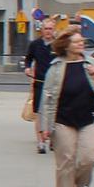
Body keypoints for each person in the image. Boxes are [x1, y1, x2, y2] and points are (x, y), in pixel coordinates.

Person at [36, 26, 94, 187]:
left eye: (82, 41)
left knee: (89, 157)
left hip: (89, 117)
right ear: (66, 45)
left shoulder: (91, 62)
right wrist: (45, 127)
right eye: (77, 42)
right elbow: (47, 98)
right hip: (63, 119)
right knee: (65, 159)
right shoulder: (56, 67)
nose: (81, 44)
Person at [22, 17, 57, 153]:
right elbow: (29, 58)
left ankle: (53, 140)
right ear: (41, 30)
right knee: (39, 113)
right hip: (40, 82)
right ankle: (40, 142)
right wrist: (27, 68)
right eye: (46, 29)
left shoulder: (58, 45)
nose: (48, 31)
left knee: (55, 113)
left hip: (55, 84)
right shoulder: (35, 44)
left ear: (54, 30)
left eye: (51, 29)